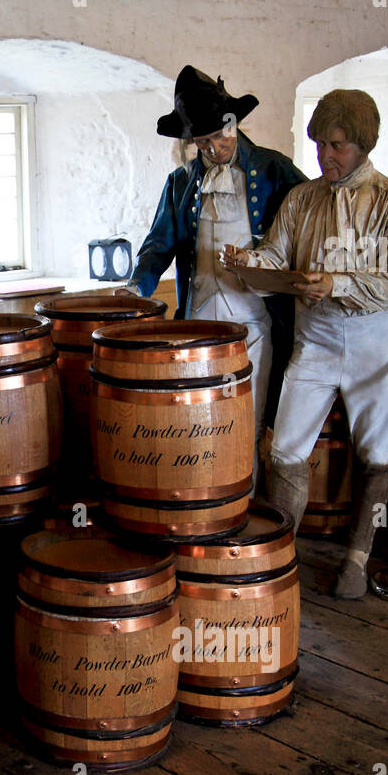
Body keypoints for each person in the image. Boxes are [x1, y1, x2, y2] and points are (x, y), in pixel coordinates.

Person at [223, 89, 388, 600]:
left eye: (338, 146)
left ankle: (356, 559)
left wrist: (337, 283)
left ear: (364, 145)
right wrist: (247, 263)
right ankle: (281, 557)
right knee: (285, 448)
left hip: (376, 342)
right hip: (316, 339)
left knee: (376, 453)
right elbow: (275, 255)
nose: (326, 156)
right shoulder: (302, 199)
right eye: (320, 145)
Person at [123, 66, 306, 488]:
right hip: (198, 322)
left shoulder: (275, 170)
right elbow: (158, 244)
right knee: (198, 418)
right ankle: (201, 502)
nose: (212, 148)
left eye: (217, 137)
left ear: (234, 124)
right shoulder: (181, 183)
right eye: (201, 141)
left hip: (255, 321)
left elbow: (311, 223)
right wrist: (136, 289)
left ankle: (244, 506)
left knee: (248, 420)